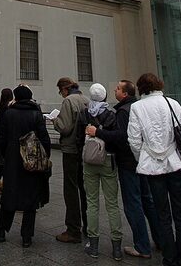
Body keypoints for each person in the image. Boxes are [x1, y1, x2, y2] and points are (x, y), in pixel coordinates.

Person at [128, 73, 181, 266]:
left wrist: (144, 158)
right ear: (158, 85)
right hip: (175, 163)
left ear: (141, 87)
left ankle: (169, 257)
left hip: (153, 168)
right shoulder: (171, 103)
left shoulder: (137, 107)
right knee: (180, 214)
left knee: (162, 213)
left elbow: (133, 139)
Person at [96, 80, 160, 259]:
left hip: (129, 163)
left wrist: (98, 132)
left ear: (124, 94)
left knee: (133, 204)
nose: (114, 90)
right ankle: (161, 240)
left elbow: (122, 137)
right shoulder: (139, 106)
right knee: (148, 201)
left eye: (117, 88)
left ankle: (142, 246)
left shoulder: (124, 111)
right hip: (144, 162)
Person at [0, 85, 51, 247]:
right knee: (31, 197)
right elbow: (44, 139)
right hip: (32, 161)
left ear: (16, 97)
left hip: (12, 160)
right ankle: (26, 236)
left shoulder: (9, 114)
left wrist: (6, 154)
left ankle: (0, 231)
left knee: (9, 194)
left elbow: (1, 139)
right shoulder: (36, 114)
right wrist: (44, 158)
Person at [82, 83, 123, 260]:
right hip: (107, 159)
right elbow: (116, 138)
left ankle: (94, 244)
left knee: (91, 202)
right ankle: (116, 247)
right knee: (112, 203)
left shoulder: (85, 113)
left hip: (90, 160)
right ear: (105, 97)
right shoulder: (111, 115)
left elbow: (79, 136)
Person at [53, 76, 89, 243]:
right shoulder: (85, 99)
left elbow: (65, 127)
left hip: (71, 149)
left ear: (65, 89)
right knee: (85, 188)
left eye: (61, 91)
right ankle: (88, 226)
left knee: (71, 188)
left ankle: (73, 229)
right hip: (85, 150)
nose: (61, 95)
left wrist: (54, 121)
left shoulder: (68, 101)